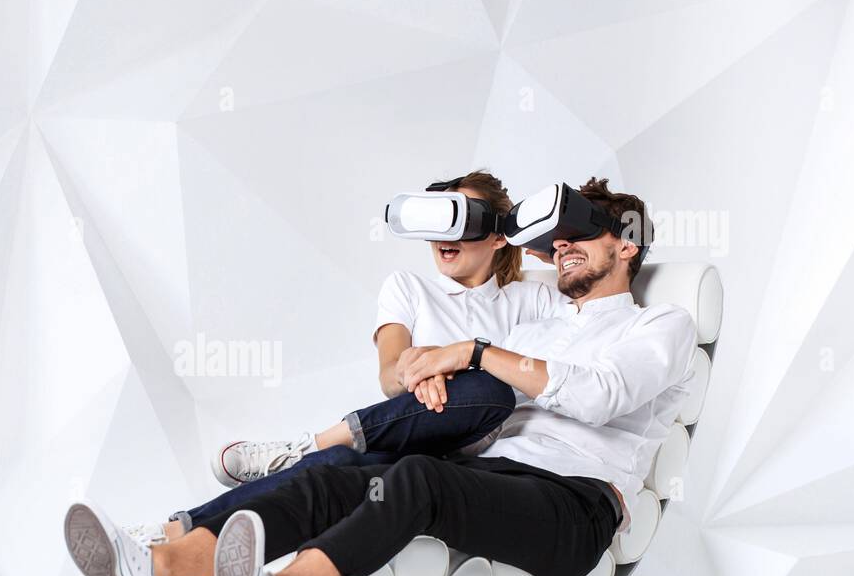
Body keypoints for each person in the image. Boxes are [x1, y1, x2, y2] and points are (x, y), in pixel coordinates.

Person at [63, 178, 698, 576]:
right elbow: (472, 344)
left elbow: (600, 396)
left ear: (627, 244)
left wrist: (479, 352)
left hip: (573, 509)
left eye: (580, 237)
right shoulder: (537, 322)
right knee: (333, 478)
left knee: (419, 479)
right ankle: (154, 570)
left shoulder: (662, 325)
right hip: (494, 481)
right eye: (555, 241)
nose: (561, 249)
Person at [128, 170, 556, 546]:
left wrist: (450, 361)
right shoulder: (407, 287)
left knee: (488, 388)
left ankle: (309, 443)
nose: (445, 239)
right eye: (440, 222)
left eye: (463, 223)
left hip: (479, 451)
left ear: (498, 237)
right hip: (409, 439)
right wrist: (416, 372)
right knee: (327, 467)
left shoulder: (529, 298)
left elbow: (579, 318)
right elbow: (390, 377)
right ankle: (175, 533)